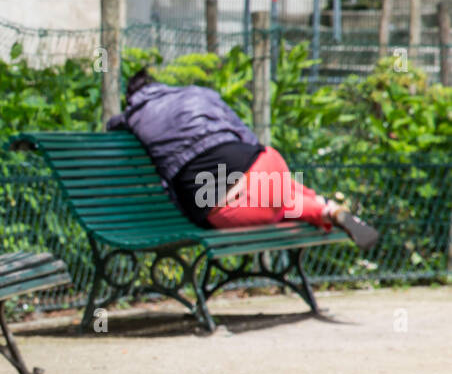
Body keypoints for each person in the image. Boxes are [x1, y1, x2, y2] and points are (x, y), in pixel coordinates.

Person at [107, 68, 380, 250]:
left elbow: (120, 134)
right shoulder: (198, 93)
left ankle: (323, 208)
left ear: (131, 98)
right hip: (266, 164)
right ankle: (327, 208)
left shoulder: (134, 117)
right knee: (277, 195)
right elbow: (245, 135)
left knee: (266, 203)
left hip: (227, 203)